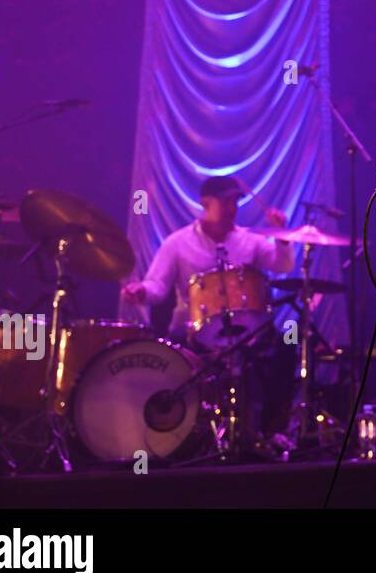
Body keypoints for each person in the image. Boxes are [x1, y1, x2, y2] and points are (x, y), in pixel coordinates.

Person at [122, 175, 296, 439]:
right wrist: (142, 291)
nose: (232, 208)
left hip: (245, 334)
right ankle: (180, 434)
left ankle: (270, 431)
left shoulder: (249, 240)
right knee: (172, 362)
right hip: (190, 331)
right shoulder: (177, 243)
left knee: (285, 349)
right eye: (226, 202)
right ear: (205, 203)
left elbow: (282, 265)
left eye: (235, 202)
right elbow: (157, 285)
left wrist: (282, 238)